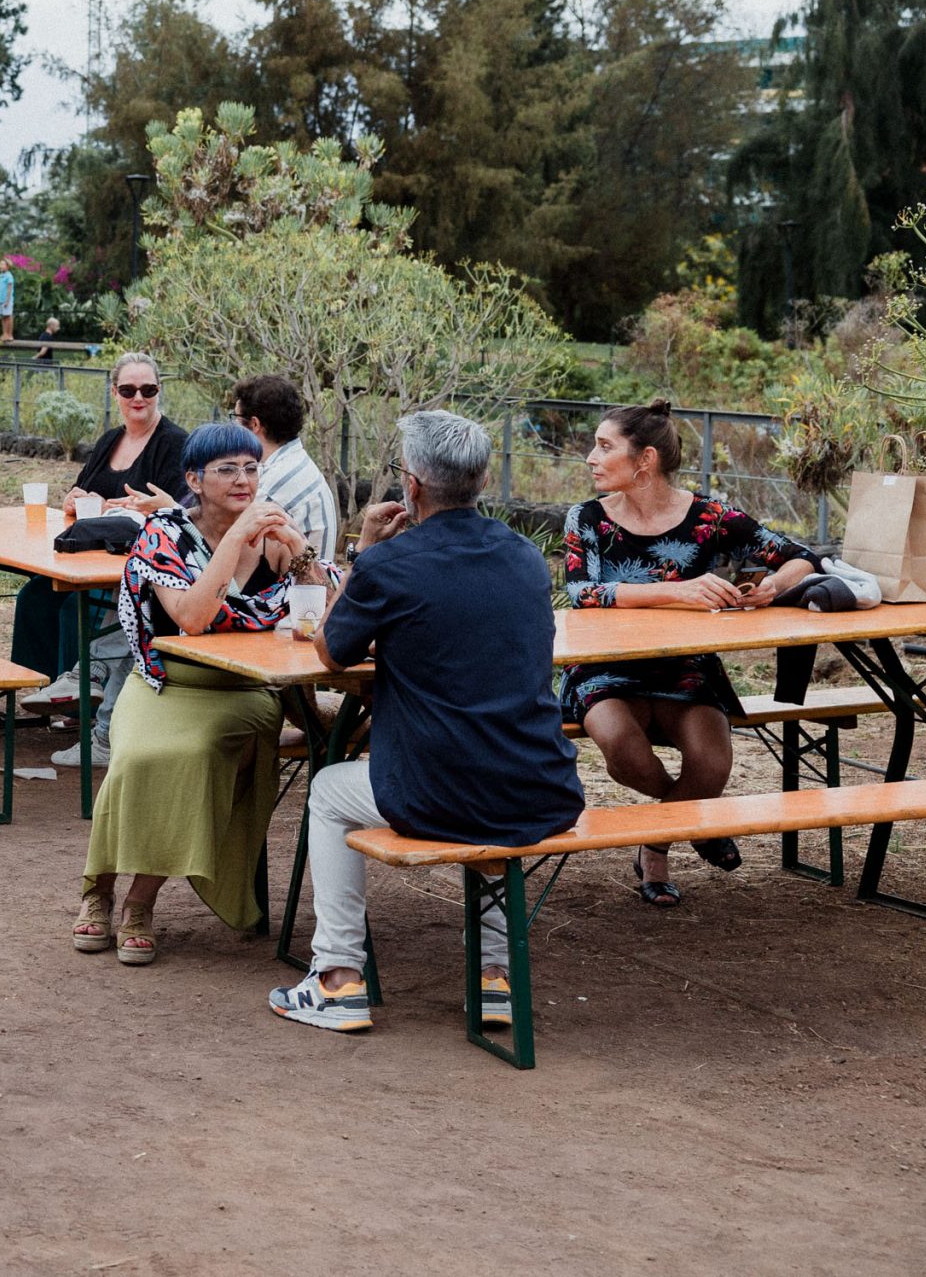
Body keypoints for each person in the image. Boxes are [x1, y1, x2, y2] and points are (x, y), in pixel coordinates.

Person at [267, 411, 586, 1035]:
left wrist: (364, 551)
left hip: (439, 792)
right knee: (484, 786)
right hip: (540, 786)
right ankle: (495, 978)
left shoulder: (392, 564)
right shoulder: (525, 557)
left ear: (410, 486)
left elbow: (331, 651)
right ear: (482, 478)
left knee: (330, 789)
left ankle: (337, 978)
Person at [73, 421, 333, 966]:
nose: (244, 480)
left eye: (251, 467)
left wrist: (302, 551)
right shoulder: (163, 534)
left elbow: (334, 615)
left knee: (193, 756)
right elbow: (192, 618)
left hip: (244, 689)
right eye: (227, 470)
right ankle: (98, 887)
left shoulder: (274, 534)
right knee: (137, 759)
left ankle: (139, 902)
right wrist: (237, 537)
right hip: (168, 681)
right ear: (194, 478)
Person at [563, 399, 818, 904]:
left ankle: (653, 841)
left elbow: (802, 558)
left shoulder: (709, 516)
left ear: (646, 460)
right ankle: (695, 825)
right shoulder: (586, 518)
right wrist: (677, 591)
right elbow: (581, 592)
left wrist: (771, 588)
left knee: (711, 763)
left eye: (604, 445)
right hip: (604, 668)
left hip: (688, 669)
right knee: (622, 748)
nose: (591, 457)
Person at [12, 351, 186, 758]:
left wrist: (109, 506)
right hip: (89, 552)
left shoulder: (174, 443)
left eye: (148, 389)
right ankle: (45, 691)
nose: (138, 397)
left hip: (137, 563)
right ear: (115, 393)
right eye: (128, 390)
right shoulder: (111, 438)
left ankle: (81, 706)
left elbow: (172, 506)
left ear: (159, 391)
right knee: (36, 595)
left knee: (76, 604)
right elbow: (82, 490)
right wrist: (76, 497)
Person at [231, 374, 340, 563]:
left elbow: (226, 543)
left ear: (255, 424)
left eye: (236, 418)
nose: (232, 426)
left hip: (295, 587)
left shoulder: (275, 483)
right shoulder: (292, 463)